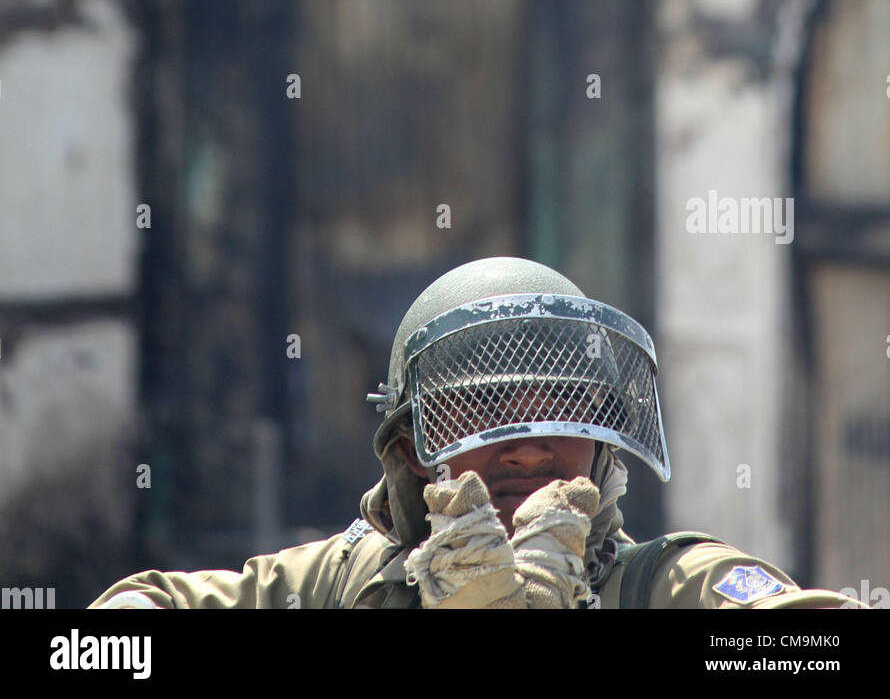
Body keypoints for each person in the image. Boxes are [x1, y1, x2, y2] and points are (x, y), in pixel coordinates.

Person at [88, 257, 866, 610]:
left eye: (563, 412)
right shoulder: (343, 585)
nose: (528, 448)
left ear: (602, 445)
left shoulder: (661, 585)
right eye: (483, 413)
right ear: (411, 451)